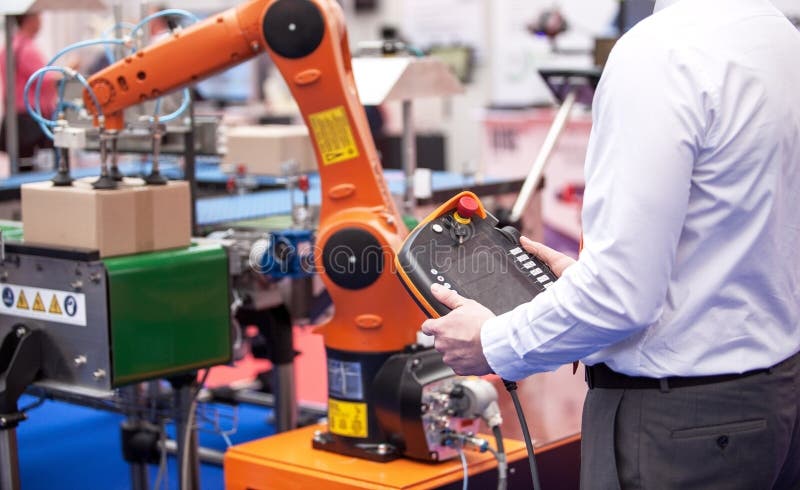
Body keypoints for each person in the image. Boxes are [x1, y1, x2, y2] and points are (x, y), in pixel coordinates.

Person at [420, 0, 800, 488]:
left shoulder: (659, 52)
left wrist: (491, 343)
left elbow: (620, 298)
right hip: (775, 398)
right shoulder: (779, 38)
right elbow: (736, 236)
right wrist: (587, 278)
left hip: (677, 428)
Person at [0, 12, 55, 165]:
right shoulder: (28, 49)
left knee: (21, 167)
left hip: (14, 118)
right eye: (39, 17)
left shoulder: (8, 48)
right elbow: (46, 81)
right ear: (30, 20)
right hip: (31, 120)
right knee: (40, 168)